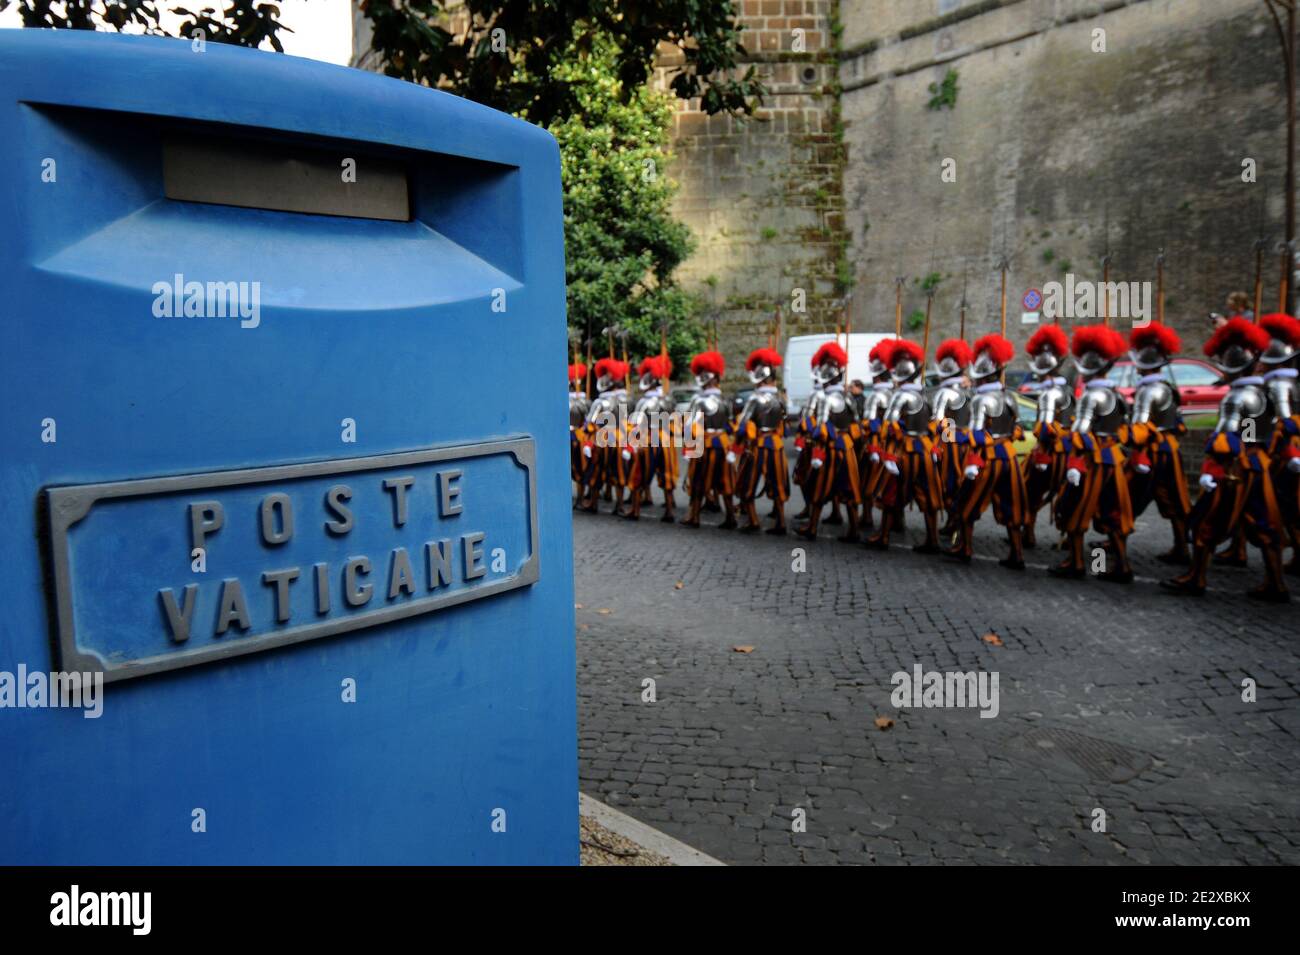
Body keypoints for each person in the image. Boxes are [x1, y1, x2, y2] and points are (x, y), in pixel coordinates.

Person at [1162, 318, 1289, 601]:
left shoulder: (1237, 397)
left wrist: (1211, 470)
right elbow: (1255, 432)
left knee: (1205, 521)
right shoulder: (1265, 393)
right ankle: (1276, 582)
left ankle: (1197, 576)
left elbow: (1227, 440)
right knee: (1265, 524)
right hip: (1258, 465)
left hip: (1233, 471)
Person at [1049, 324, 1134, 582]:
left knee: (1075, 509)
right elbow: (1124, 431)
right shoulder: (1117, 395)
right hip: (1114, 460)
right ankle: (1119, 566)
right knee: (1110, 512)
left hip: (1091, 462)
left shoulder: (1090, 397)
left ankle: (1076, 563)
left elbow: (1081, 434)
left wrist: (1074, 463)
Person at [944, 334, 1027, 569]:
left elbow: (977, 434)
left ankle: (965, 547)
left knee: (966, 501)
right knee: (1012, 505)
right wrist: (1008, 436)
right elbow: (1018, 428)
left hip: (986, 458)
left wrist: (969, 459)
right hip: (1009, 455)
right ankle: (1017, 553)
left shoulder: (980, 400)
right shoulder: (1010, 396)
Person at [864, 339, 943, 552]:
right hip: (925, 451)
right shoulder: (926, 396)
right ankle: (933, 538)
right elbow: (936, 426)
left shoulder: (899, 396)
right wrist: (935, 448)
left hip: (904, 452)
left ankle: (884, 535)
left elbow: (888, 426)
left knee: (891, 493)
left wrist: (886, 450)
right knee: (927, 494)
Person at [1124, 322, 1192, 564]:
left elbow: (1139, 428)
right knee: (1173, 499)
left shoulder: (1148, 391)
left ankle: (1116, 544)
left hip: (1151, 452)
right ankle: (1181, 546)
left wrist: (1124, 438)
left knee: (1125, 495)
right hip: (1169, 448)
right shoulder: (1167, 387)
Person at [796, 342, 862, 542]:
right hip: (847, 446)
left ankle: (813, 527)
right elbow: (856, 423)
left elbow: (821, 429)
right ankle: (854, 530)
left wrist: (814, 445)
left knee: (819, 486)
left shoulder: (825, 399)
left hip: (830, 448)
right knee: (849, 489)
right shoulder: (849, 397)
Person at [1020, 325, 1073, 549]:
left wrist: (1040, 451)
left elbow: (1044, 429)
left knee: (1028, 490)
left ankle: (1028, 531)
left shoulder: (1048, 394)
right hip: (1071, 451)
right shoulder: (1068, 391)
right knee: (1073, 495)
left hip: (1050, 453)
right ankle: (1069, 537)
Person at [1259, 313, 1300, 576]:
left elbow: (1283, 422)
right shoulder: (1294, 380)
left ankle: (1275, 579)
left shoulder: (1277, 385)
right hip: (1289, 450)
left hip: (1281, 453)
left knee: (1276, 508)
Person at [732, 347, 790, 534]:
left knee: (747, 482)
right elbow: (785, 423)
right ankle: (781, 522)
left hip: (758, 446)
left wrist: (736, 446)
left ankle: (753, 520)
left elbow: (742, 426)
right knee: (778, 483)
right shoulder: (781, 398)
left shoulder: (754, 399)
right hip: (777, 445)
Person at [680, 350, 737, 529]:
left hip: (704, 444)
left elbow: (690, 426)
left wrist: (688, 449)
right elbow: (731, 426)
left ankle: (694, 516)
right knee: (725, 481)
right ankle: (730, 517)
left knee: (698, 480)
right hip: (723, 443)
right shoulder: (726, 400)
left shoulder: (699, 401)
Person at [624, 355, 678, 522]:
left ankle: (635, 510)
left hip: (648, 441)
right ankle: (669, 510)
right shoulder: (668, 400)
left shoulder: (644, 403)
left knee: (638, 474)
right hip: (666, 441)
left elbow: (636, 425)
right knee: (667, 476)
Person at [929, 338, 973, 533]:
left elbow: (938, 422)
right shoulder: (970, 392)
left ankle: (952, 520)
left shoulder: (944, 393)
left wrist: (947, 438)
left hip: (950, 445)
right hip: (969, 443)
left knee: (946, 482)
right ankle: (957, 520)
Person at [578, 357, 630, 514]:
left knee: (595, 469)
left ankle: (593, 503)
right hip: (619, 438)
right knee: (618, 470)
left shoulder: (599, 403)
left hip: (602, 438)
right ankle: (619, 504)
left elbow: (590, 424)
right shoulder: (623, 400)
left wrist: (588, 441)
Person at [858, 340, 897, 536]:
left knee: (867, 481)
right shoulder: (898, 393)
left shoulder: (875, 396)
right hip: (896, 446)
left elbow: (869, 424)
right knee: (893, 484)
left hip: (877, 444)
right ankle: (898, 520)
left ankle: (867, 516)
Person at [568, 362, 589, 504]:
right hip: (581, 436)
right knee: (579, 467)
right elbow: (588, 422)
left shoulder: (566, 401)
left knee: (576, 467)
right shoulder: (586, 401)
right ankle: (580, 497)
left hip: (570, 437)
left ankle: (580, 498)